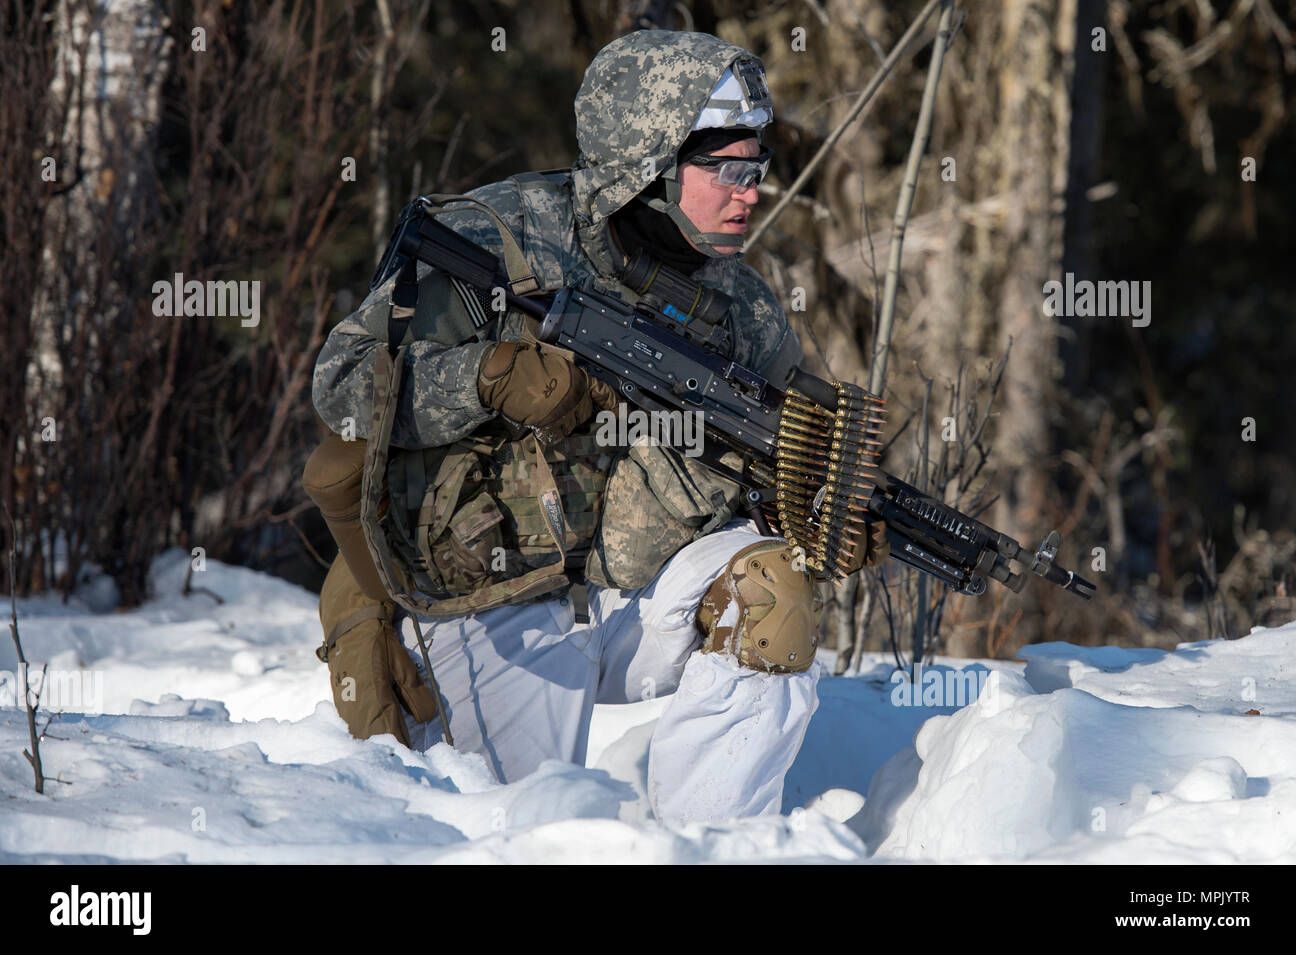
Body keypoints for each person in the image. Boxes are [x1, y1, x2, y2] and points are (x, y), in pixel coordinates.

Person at [303, 29, 887, 824]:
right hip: (497, 594)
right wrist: (486, 377)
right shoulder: (497, 239)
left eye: (758, 169)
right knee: (510, 831)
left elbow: (774, 447)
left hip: (636, 594)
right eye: (726, 170)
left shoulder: (738, 302)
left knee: (772, 586)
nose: (751, 192)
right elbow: (342, 387)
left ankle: (715, 842)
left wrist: (825, 509)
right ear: (644, 165)